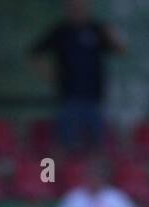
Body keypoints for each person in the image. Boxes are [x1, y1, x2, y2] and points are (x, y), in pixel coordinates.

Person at [31, 0, 125, 149]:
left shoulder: (97, 29)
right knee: (65, 145)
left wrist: (114, 36)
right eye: (73, 5)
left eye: (81, 5)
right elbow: (35, 53)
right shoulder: (60, 31)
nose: (77, 8)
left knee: (97, 148)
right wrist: (48, 75)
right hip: (68, 98)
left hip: (94, 99)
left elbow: (121, 50)